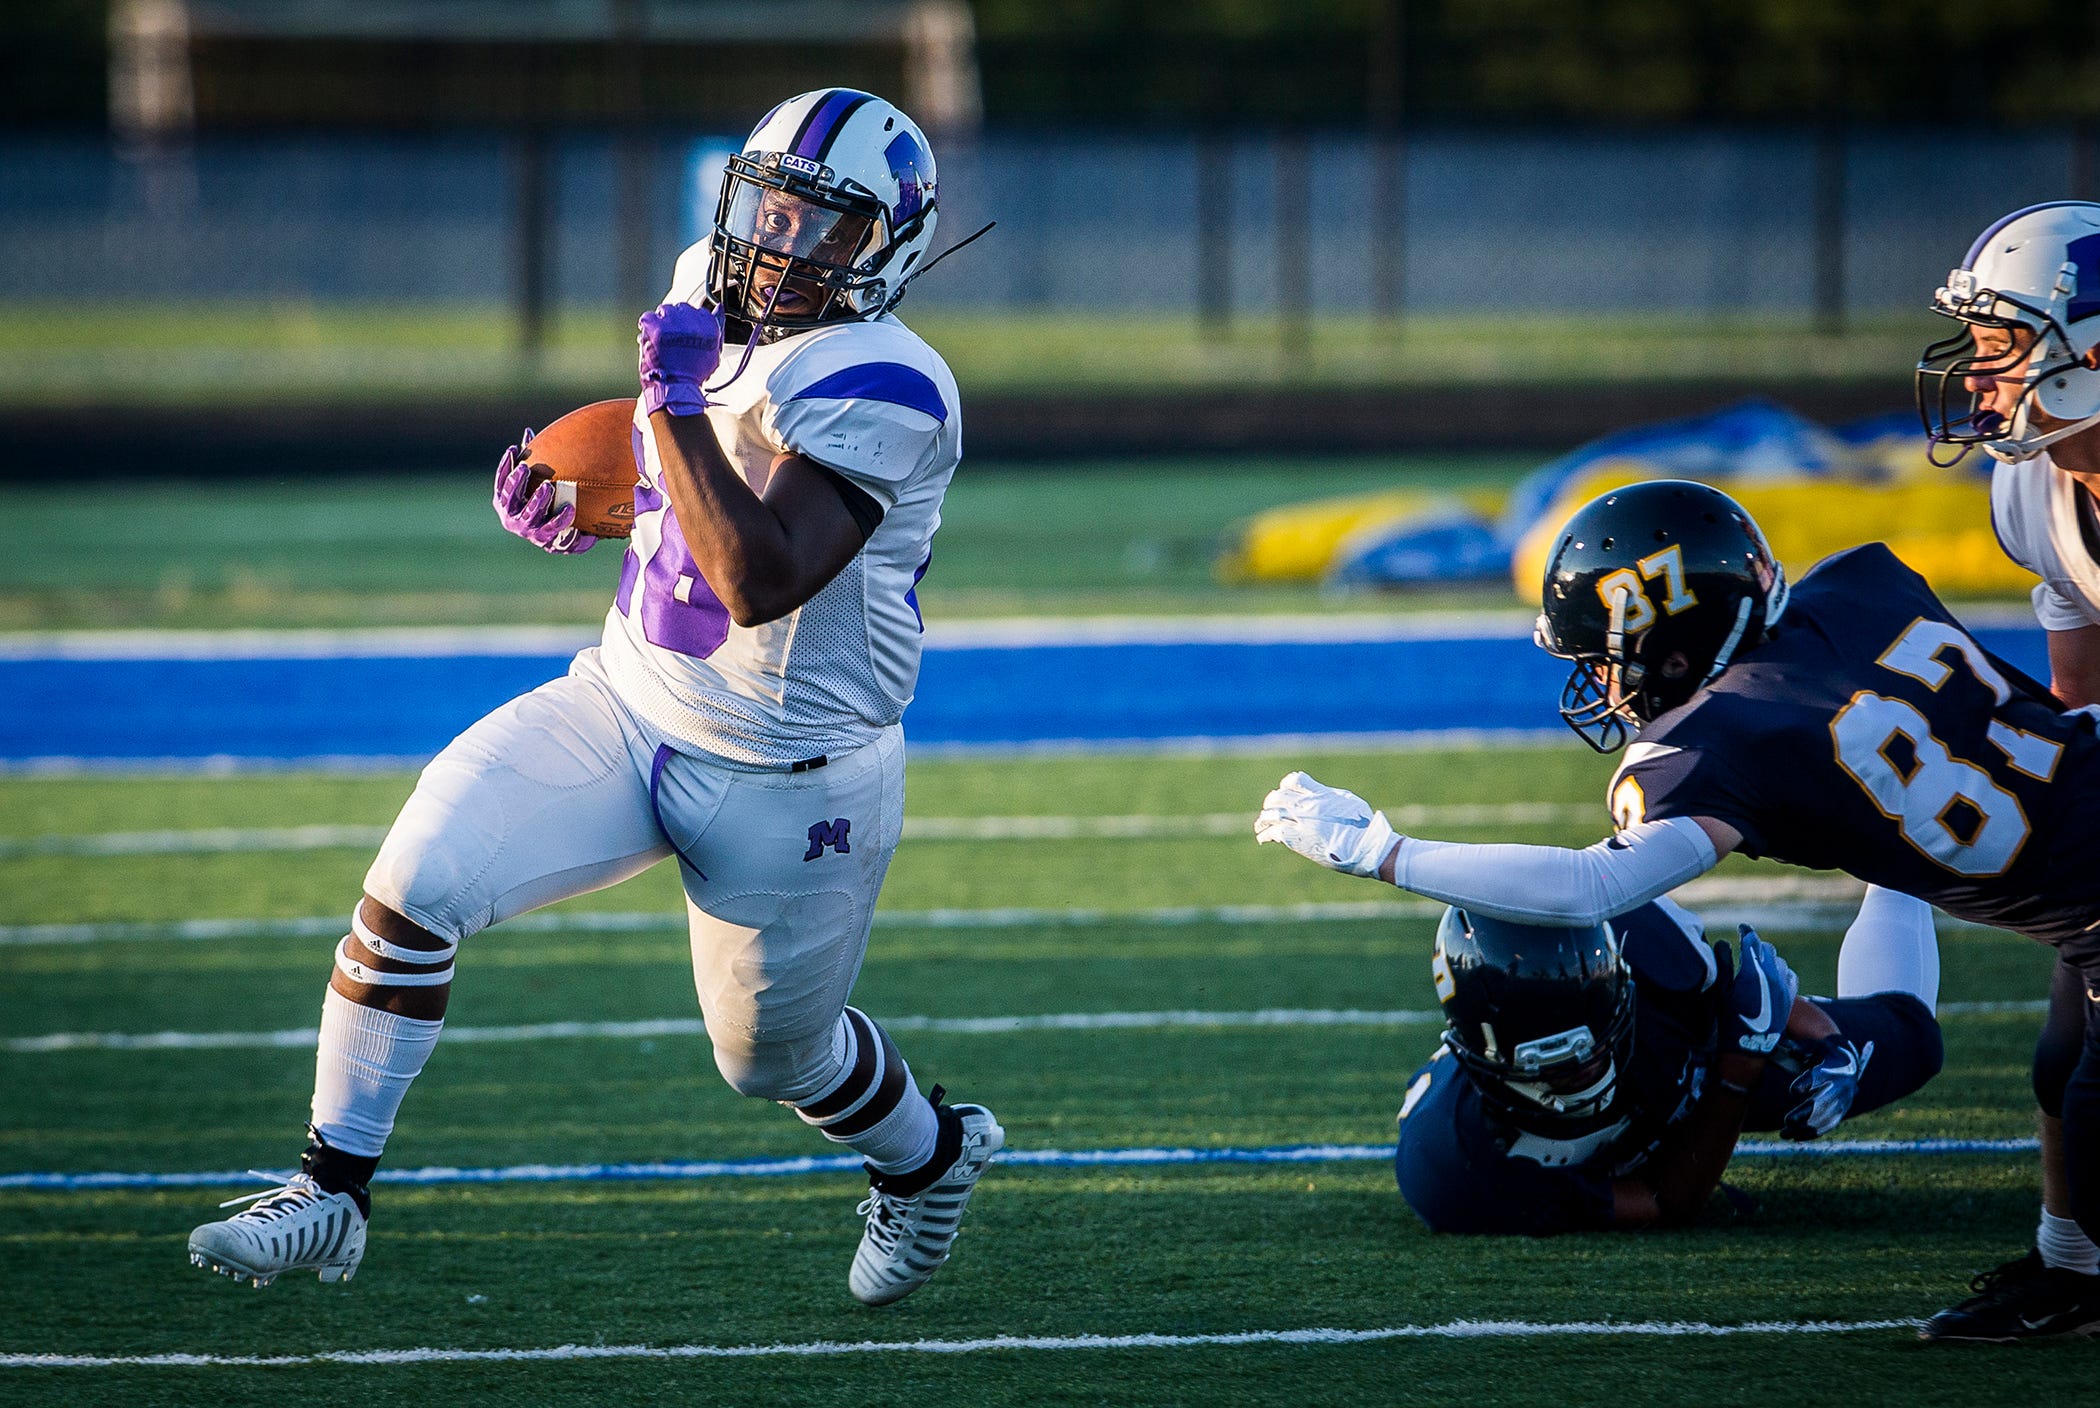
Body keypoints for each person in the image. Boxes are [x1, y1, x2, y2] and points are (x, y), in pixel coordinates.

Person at [187, 88, 1001, 1308]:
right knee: (418, 879)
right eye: (768, 205)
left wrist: (669, 413)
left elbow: (760, 575)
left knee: (769, 1056)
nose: (777, 242)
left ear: (886, 246)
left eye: (820, 225)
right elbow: (672, 462)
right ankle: (329, 1190)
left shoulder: (889, 382)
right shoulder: (704, 280)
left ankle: (930, 1157)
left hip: (795, 770)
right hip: (623, 704)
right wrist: (597, 500)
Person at [1255, 477, 2100, 1340]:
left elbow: (1593, 886)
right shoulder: (1862, 588)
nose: (1601, 680)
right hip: (2081, 866)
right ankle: (2071, 1276)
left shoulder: (1719, 742)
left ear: (1673, 650)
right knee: (2062, 1074)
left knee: (2093, 1098)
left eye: (1609, 655)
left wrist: (1379, 852)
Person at [1917, 199, 2100, 1329]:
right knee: (2067, 1051)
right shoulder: (2032, 488)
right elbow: (2081, 702)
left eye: (2003, 348)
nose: (1980, 380)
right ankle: (2074, 1264)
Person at [1397, 892, 1942, 1235]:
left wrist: (1832, 1047)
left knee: (1916, 1043)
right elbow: (1663, 1200)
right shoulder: (1457, 1166)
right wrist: (1738, 1070)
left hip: (1674, 1073)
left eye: (1599, 1038)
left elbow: (1741, 999)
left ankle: (1894, 851)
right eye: (1561, 1063)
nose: (1590, 1068)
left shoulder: (1642, 941)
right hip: (1685, 1094)